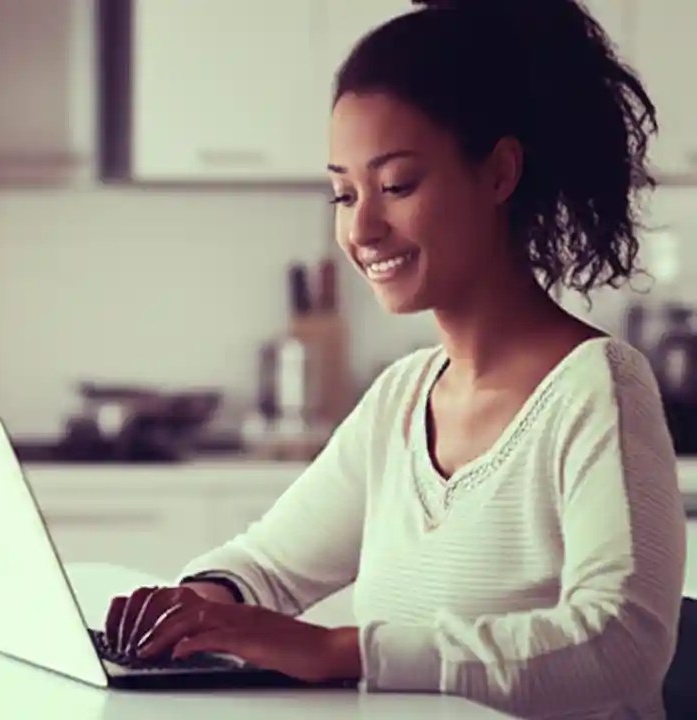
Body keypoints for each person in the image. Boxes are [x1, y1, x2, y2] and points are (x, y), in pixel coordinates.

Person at [103, 1, 689, 717]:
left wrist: (335, 651)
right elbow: (267, 566)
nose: (361, 228)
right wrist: (197, 609)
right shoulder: (404, 397)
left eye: (397, 185)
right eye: (344, 193)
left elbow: (619, 645)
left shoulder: (598, 388)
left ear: (501, 171)